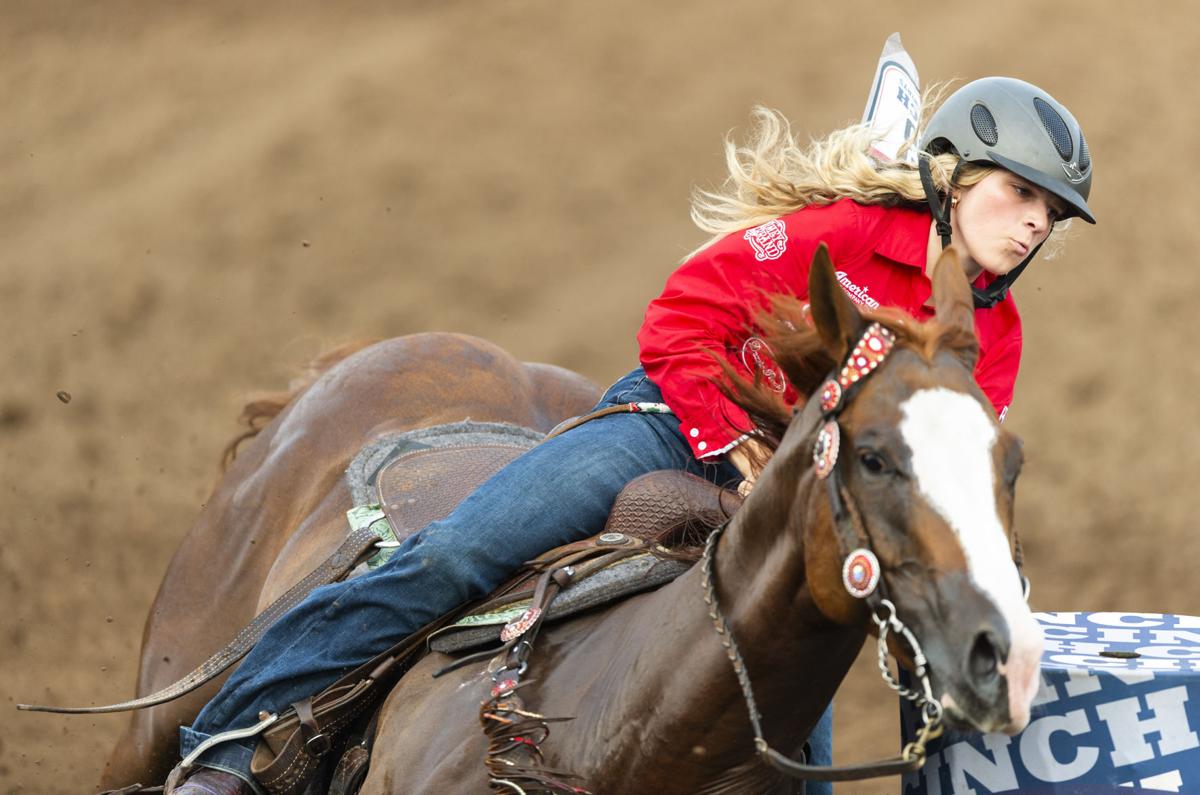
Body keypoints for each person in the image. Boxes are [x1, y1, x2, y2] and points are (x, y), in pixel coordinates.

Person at [173, 76, 1094, 794]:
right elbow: (678, 317)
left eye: (1048, 213)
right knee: (454, 557)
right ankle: (231, 739)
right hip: (666, 428)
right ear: (953, 175)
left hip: (788, 515)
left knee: (786, 740)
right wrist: (728, 432)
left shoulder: (994, 336)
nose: (1032, 224)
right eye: (1019, 193)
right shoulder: (837, 233)